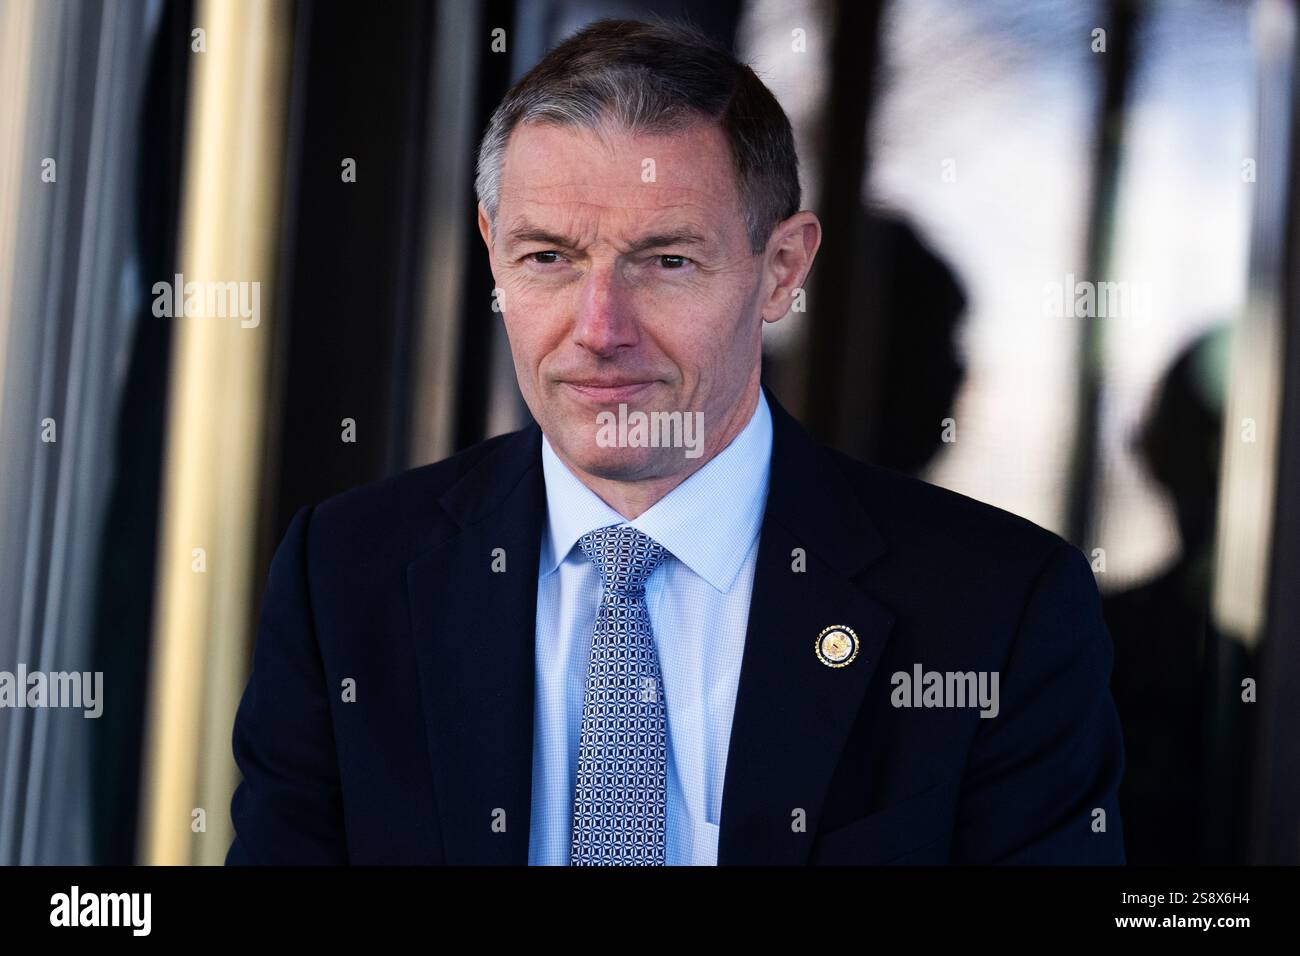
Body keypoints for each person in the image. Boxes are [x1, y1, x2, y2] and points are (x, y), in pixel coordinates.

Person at [226, 17, 1124, 866]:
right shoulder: (345, 577)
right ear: (493, 251)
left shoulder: (997, 612)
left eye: (666, 261)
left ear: (782, 271)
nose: (599, 327)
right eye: (549, 258)